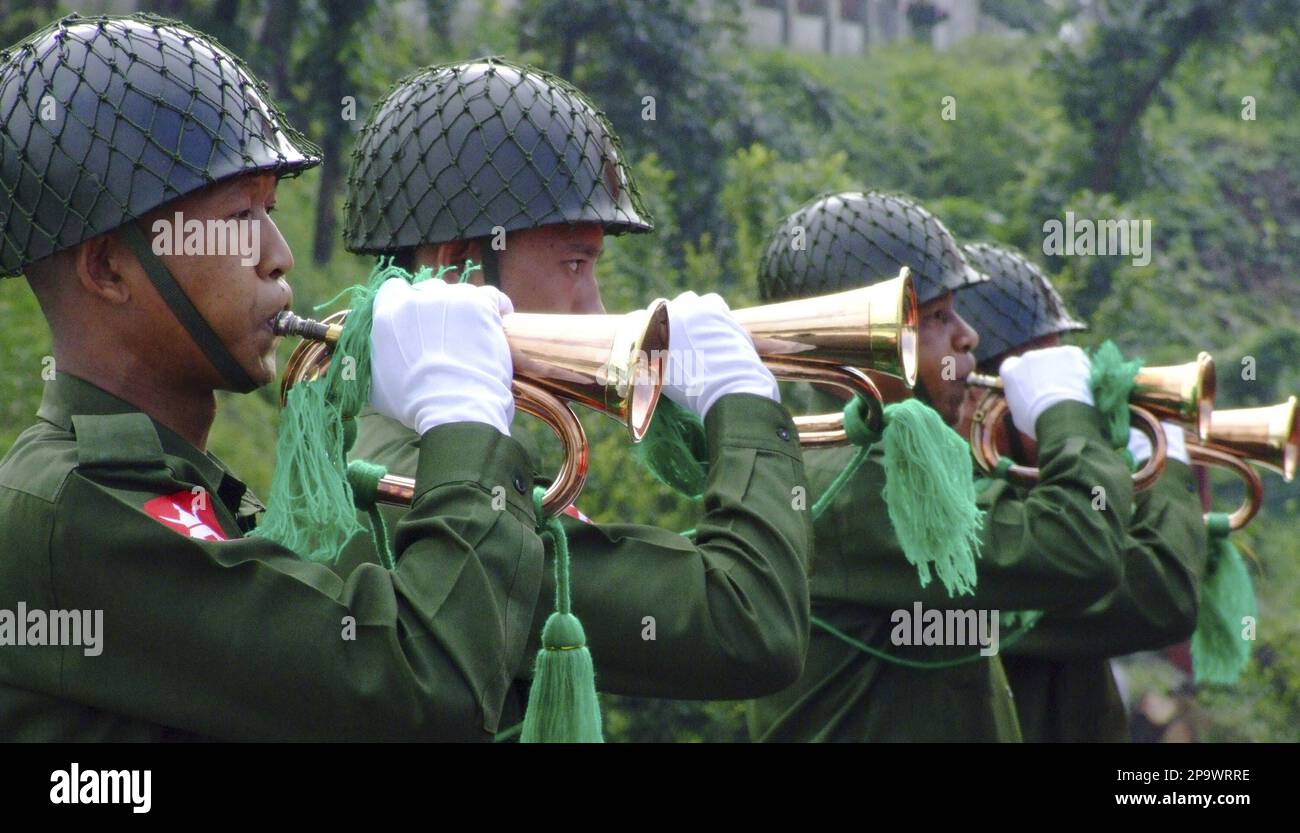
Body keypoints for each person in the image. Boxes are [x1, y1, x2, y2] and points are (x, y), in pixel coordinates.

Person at [0, 14, 550, 741]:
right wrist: (466, 422)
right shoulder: (81, 508)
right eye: (239, 218)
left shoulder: (174, 485)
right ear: (108, 268)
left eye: (273, 212)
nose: (280, 255)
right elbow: (422, 692)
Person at [338, 58, 814, 705]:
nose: (593, 307)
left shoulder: (411, 451)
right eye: (573, 262)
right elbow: (748, 626)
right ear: (458, 266)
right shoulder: (421, 486)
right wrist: (744, 401)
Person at [747, 191, 1133, 741]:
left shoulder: (854, 463)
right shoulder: (860, 482)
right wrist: (1065, 416)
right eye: (935, 317)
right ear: (861, 342)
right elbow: (1080, 551)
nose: (968, 336)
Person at [955, 242, 1208, 742]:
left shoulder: (1045, 500)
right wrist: (1169, 462)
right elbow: (1163, 596)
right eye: (1039, 380)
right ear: (974, 396)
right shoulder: (967, 521)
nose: (1070, 395)